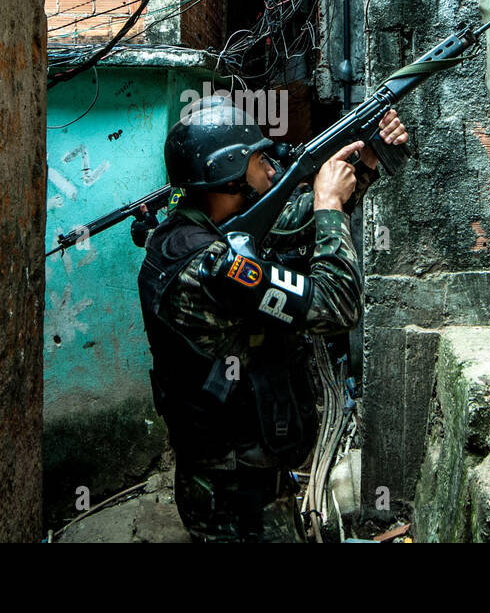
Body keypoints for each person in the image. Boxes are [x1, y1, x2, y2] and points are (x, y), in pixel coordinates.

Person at [137, 96, 408, 542]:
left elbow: (285, 223)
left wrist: (364, 165)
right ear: (226, 173)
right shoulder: (212, 266)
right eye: (259, 159)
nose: (270, 168)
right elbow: (337, 306)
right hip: (237, 490)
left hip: (236, 465)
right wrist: (329, 207)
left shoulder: (193, 230)